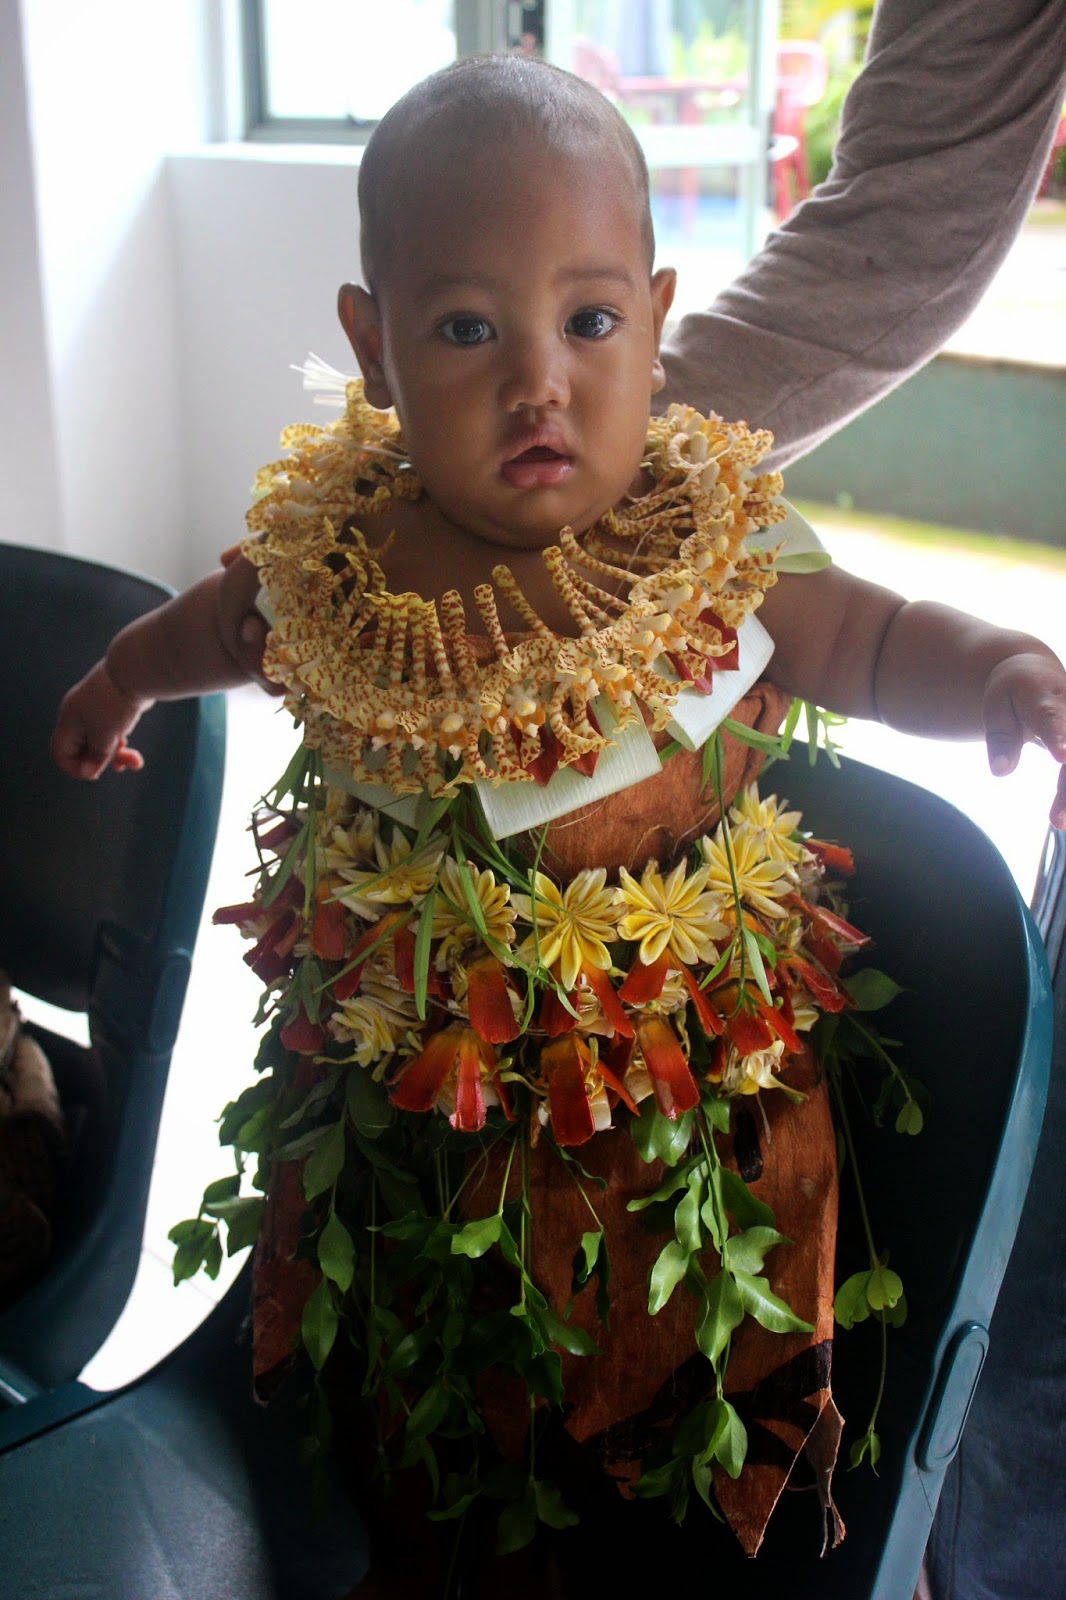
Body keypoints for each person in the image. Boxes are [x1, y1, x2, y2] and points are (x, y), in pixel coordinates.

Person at [51, 53, 1066, 1598]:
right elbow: (226, 623)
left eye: (589, 322)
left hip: (663, 1120)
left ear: (657, 320)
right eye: (468, 329)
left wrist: (989, 669)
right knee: (421, 1377)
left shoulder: (698, 538)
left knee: (650, 1395)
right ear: (373, 348)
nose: (541, 379)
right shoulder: (345, 565)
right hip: (411, 1110)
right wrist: (128, 677)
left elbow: (862, 637)